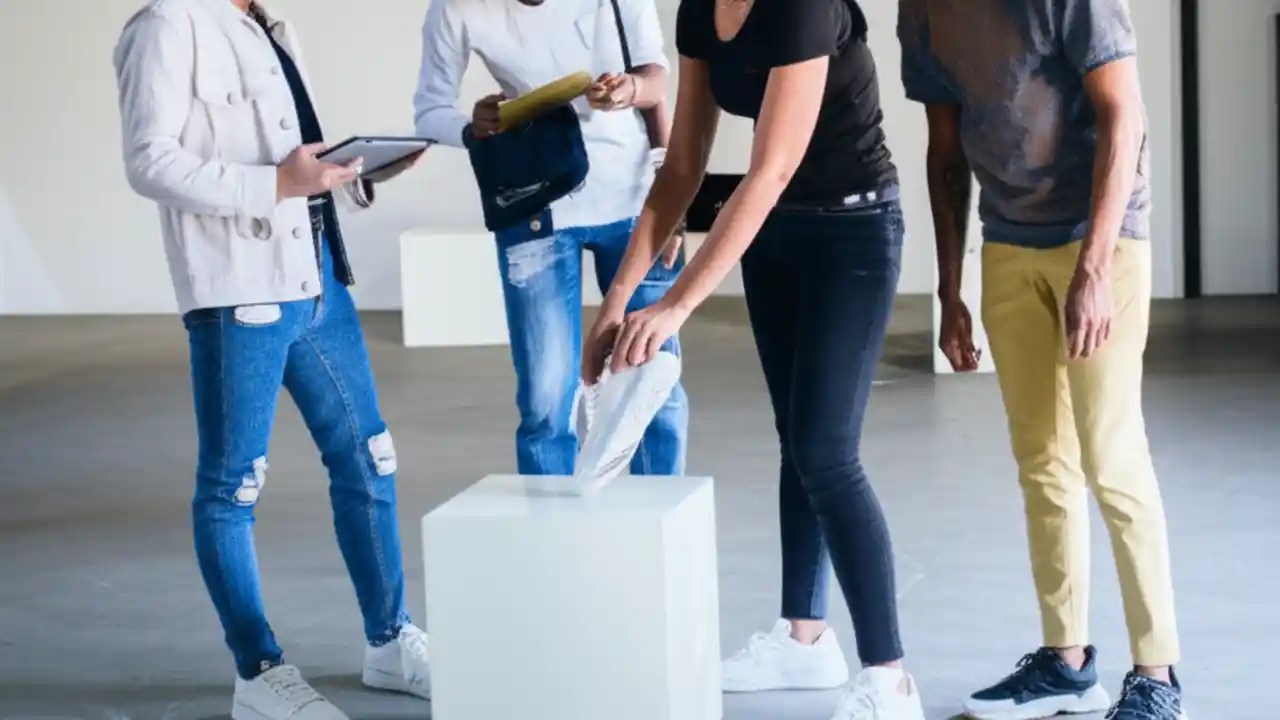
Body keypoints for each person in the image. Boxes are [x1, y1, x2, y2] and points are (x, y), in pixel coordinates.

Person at [583, 0, 926, 717]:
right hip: (774, 235)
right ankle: (804, 639)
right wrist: (618, 298)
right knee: (796, 445)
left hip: (853, 233)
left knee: (828, 452)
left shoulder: (804, 6)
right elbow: (682, 165)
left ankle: (890, 677)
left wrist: (675, 304)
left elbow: (768, 170)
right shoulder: (700, 13)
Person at [114, 1, 428, 717]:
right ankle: (259, 672)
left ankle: (389, 641)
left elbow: (297, 161)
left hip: (317, 278)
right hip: (238, 291)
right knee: (234, 487)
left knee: (369, 456)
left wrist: (358, 172)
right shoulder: (168, 23)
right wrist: (276, 185)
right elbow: (149, 160)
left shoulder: (272, 25)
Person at [898, 1, 1187, 718]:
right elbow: (944, 148)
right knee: (1041, 462)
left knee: (1112, 460)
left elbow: (1125, 115)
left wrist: (1093, 269)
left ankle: (1158, 674)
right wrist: (950, 288)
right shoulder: (922, 10)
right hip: (1009, 239)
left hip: (1103, 237)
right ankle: (1067, 661)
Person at [414, 0, 689, 479]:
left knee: (654, 386)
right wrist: (472, 127)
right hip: (535, 206)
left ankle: (657, 533)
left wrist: (630, 92)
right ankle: (554, 540)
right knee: (546, 402)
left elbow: (656, 82)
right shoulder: (456, 8)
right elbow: (429, 110)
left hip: (633, 202)